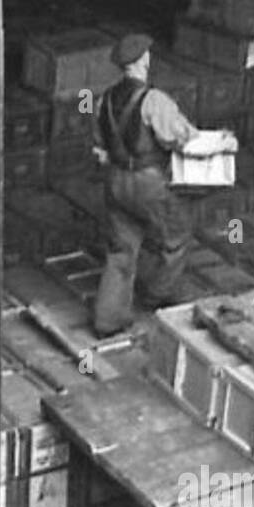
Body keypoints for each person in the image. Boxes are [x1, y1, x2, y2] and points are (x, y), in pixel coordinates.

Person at [90, 32, 199, 336]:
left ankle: (108, 319)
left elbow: (99, 148)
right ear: (143, 60)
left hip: (115, 180)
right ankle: (156, 295)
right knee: (175, 237)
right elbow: (179, 138)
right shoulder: (155, 100)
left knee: (121, 249)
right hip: (149, 183)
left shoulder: (104, 100)